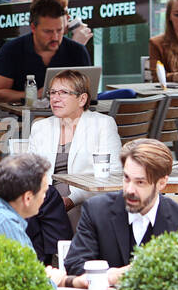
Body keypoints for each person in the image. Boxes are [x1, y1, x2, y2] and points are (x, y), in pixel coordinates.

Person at [64, 139, 178, 285]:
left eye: (140, 182)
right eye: (126, 179)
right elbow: (74, 265)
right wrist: (111, 276)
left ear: (162, 183)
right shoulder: (96, 210)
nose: (129, 190)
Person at [0, 152, 67, 285]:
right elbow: (35, 288)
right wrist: (54, 281)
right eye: (44, 191)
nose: (45, 196)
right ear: (27, 198)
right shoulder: (6, 223)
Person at [28, 68, 122, 217]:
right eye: (52, 92)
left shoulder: (103, 124)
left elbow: (113, 175)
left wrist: (72, 200)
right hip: (45, 201)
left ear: (82, 99)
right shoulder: (40, 127)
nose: (55, 99)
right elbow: (31, 173)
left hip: (85, 202)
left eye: (64, 93)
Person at [0, 0, 91, 105]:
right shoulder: (12, 50)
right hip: (22, 117)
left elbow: (87, 94)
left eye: (59, 30)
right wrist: (35, 95)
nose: (55, 37)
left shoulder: (77, 51)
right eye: (48, 31)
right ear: (33, 27)